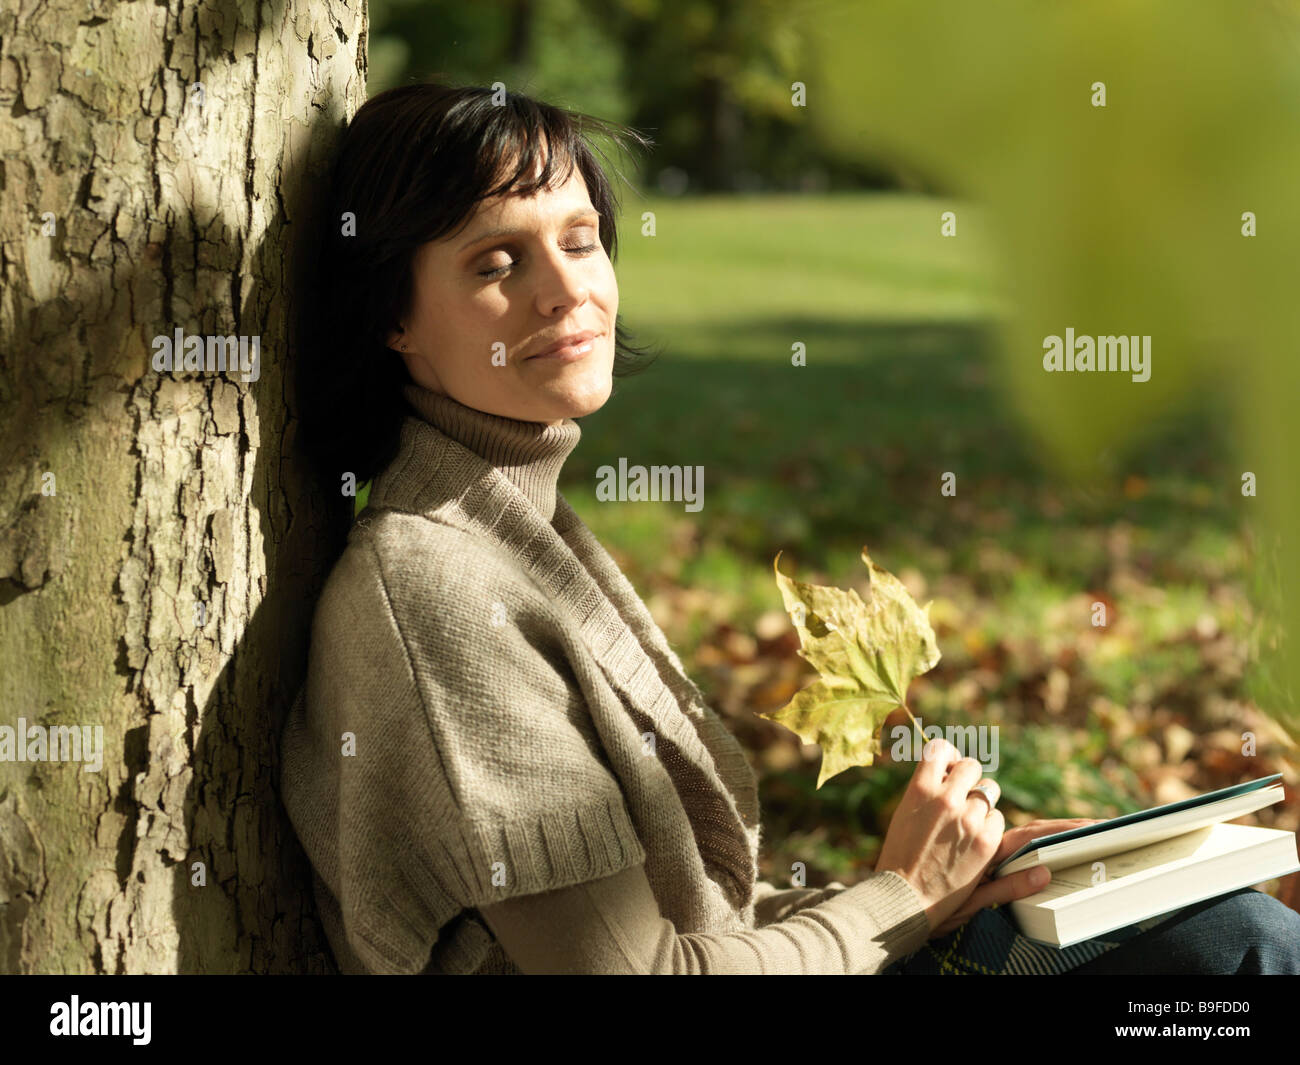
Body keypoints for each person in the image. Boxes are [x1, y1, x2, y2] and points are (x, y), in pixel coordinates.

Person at [279, 79, 1300, 975]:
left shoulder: (517, 532)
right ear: (394, 318)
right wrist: (900, 897)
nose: (565, 290)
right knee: (1233, 955)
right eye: (498, 263)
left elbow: (701, 931)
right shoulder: (433, 590)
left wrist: (972, 881)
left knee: (1212, 927)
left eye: (580, 240)